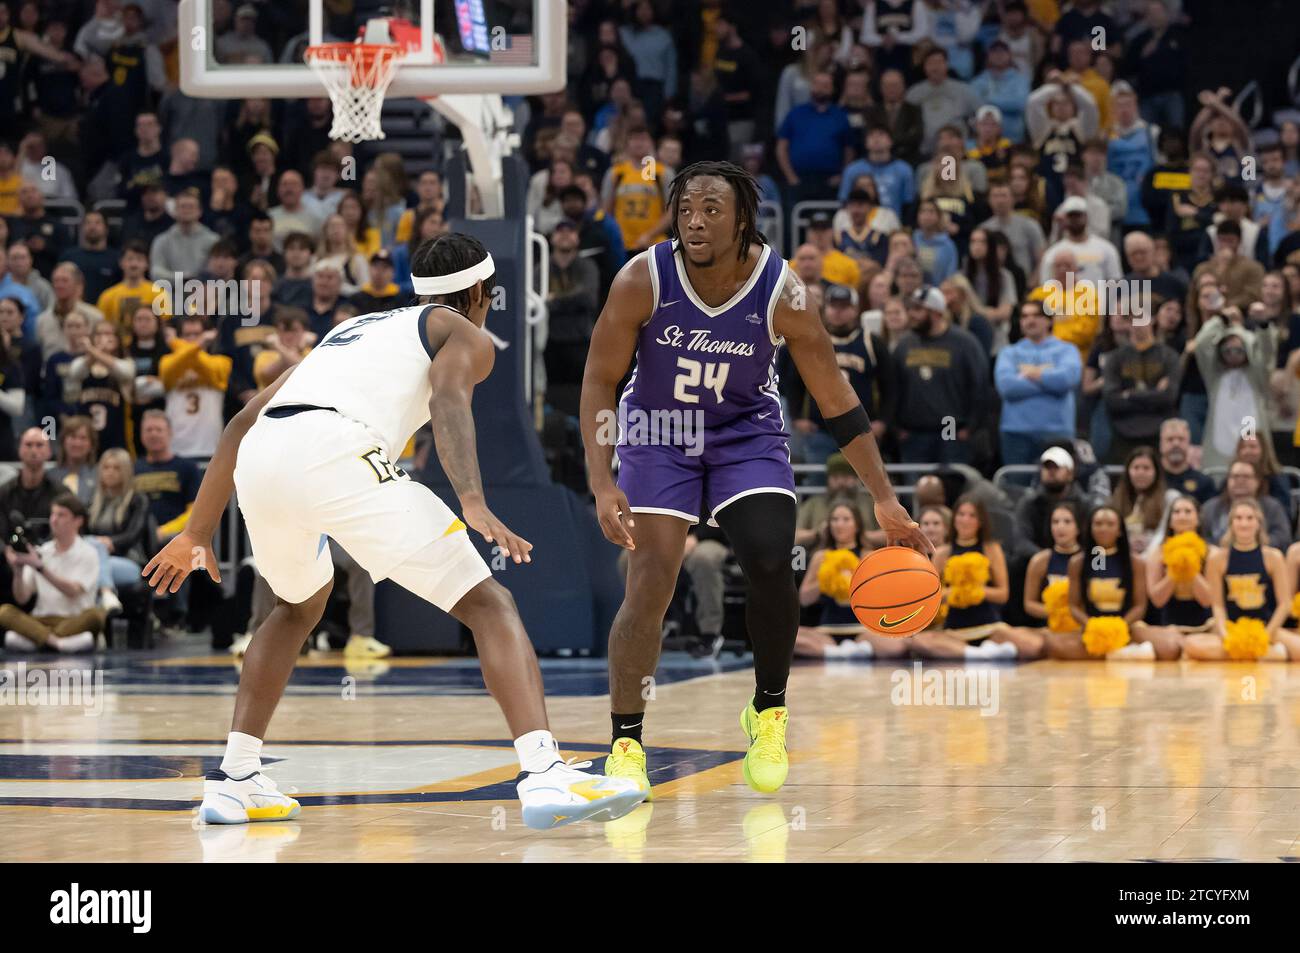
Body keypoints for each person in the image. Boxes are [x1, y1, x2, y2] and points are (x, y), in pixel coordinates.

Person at [142, 232, 646, 831]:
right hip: (336, 447)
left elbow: (243, 420)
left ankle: (235, 779)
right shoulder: (466, 333)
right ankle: (543, 773)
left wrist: (198, 530)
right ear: (482, 291)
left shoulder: (350, 329)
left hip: (264, 456)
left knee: (295, 608)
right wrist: (472, 500)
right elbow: (451, 398)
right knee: (490, 605)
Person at [580, 160, 929, 798]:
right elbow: (601, 378)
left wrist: (883, 496)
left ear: (742, 218)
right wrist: (602, 482)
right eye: (685, 208)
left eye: (711, 208)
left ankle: (767, 712)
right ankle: (626, 740)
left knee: (770, 557)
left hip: (746, 433)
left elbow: (835, 397)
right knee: (653, 572)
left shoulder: (783, 291)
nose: (695, 220)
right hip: (658, 432)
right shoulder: (642, 278)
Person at [911, 495, 1044, 660]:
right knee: (919, 642)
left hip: (990, 628)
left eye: (972, 515)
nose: (965, 520)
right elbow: (930, 598)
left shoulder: (991, 548)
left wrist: (976, 591)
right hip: (954, 631)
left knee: (1034, 647)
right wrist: (955, 592)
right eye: (961, 514)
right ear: (954, 519)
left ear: (981, 521)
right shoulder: (943, 553)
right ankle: (977, 653)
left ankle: (979, 650)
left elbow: (1003, 595)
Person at [1187, 499, 1298, 661]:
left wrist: (1265, 636)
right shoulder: (1218, 559)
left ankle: (1254, 653)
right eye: (1238, 518)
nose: (1244, 523)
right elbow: (1217, 605)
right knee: (1192, 645)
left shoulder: (1273, 557)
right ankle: (1273, 655)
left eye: (1249, 518)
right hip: (1231, 628)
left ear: (1259, 523)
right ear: (1231, 523)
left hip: (1265, 628)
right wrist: (1226, 636)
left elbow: (1285, 604)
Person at [794, 502, 907, 660]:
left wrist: (855, 578)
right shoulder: (821, 557)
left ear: (857, 525)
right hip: (827, 631)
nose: (839, 524)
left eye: (846, 519)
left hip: (863, 630)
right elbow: (805, 599)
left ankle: (845, 651)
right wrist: (827, 578)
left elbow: (885, 599)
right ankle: (839, 652)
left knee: (898, 645)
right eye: (834, 519)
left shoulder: (869, 555)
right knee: (788, 637)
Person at [891, 285, 989, 466]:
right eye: (911, 308)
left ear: (936, 312)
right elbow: (893, 387)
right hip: (913, 430)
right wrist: (897, 427)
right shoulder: (905, 344)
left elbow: (979, 386)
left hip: (950, 425)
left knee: (950, 485)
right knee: (916, 490)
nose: (911, 314)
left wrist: (970, 427)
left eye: (918, 309)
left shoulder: (964, 343)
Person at [0, 493, 104, 654]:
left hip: (72, 621)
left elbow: (73, 591)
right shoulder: (43, 551)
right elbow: (22, 597)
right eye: (53, 514)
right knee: (4, 611)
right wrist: (18, 571)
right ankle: (56, 643)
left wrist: (41, 568)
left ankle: (38, 641)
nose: (54, 520)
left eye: (61, 515)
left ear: (78, 521)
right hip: (41, 620)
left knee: (95, 616)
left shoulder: (88, 552)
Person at [994, 299, 1082, 465]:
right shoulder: (1009, 352)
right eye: (1025, 316)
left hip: (1057, 432)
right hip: (1016, 433)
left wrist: (1030, 373)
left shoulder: (1067, 350)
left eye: (1036, 315)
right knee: (1015, 489)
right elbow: (1007, 386)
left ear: (1049, 320)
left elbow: (1066, 380)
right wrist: (1048, 378)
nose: (1030, 320)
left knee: (1057, 486)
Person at [1145, 495, 1213, 641]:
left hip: (1207, 626)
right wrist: (1175, 568)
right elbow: (1157, 600)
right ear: (1169, 521)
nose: (1182, 516)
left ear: (1198, 519)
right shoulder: (1157, 554)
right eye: (1176, 512)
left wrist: (1190, 565)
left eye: (1188, 511)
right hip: (1169, 627)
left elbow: (1208, 600)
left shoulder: (1212, 553)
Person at [1198, 459, 1292, 551]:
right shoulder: (1210, 507)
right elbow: (1200, 536)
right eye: (1235, 476)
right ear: (1227, 480)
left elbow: (1282, 538)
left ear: (1257, 481)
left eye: (1246, 476)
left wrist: (1253, 547)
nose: (1240, 481)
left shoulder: (1272, 507)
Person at [1023, 502, 1083, 643]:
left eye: (1067, 521)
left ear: (1078, 527)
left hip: (1081, 628)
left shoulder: (1092, 559)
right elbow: (1029, 604)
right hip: (1050, 628)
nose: (1060, 527)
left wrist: (1074, 614)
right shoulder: (1040, 560)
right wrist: (1057, 612)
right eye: (1055, 522)